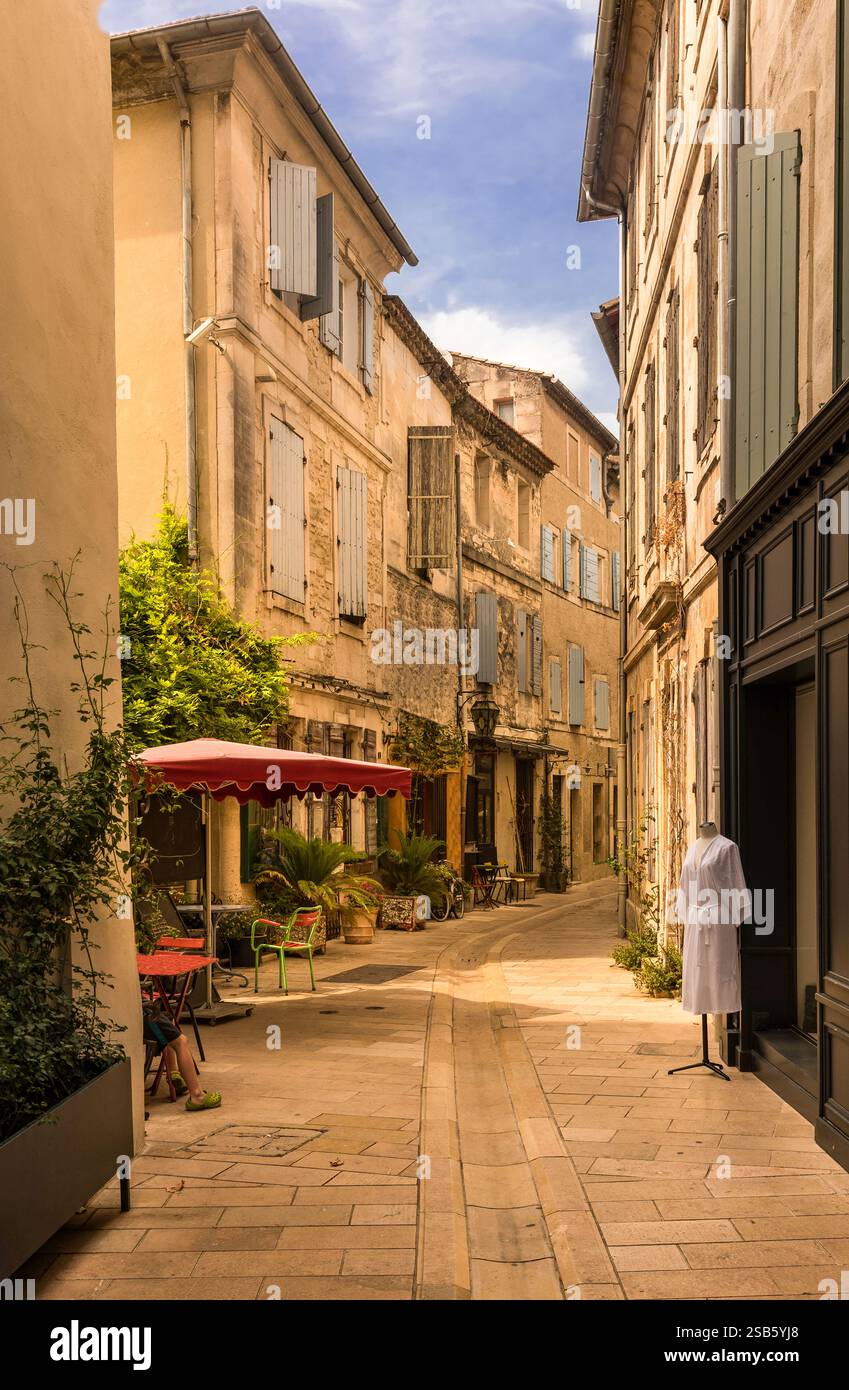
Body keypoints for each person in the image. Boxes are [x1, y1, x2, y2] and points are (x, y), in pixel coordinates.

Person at [142, 1002, 221, 1111]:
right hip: (141, 1014)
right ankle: (197, 1095)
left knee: (168, 1019)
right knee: (180, 1041)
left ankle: (174, 1073)